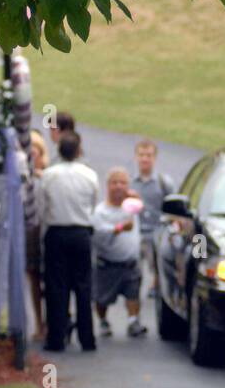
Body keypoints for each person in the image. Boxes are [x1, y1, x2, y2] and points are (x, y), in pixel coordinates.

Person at [37, 131, 100, 353]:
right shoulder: (89, 175)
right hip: (81, 232)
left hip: (57, 232)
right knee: (83, 287)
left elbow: (42, 207)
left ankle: (57, 337)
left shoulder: (49, 175)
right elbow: (93, 204)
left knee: (57, 287)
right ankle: (87, 338)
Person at [91, 168, 148, 338]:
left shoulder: (131, 207)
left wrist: (139, 202)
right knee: (102, 298)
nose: (118, 187)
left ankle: (133, 321)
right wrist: (119, 228)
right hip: (108, 263)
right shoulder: (100, 211)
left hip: (130, 262)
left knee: (133, 292)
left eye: (122, 183)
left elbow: (146, 215)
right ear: (107, 186)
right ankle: (103, 320)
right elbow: (98, 235)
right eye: (114, 183)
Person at [130, 139, 175, 296]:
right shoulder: (130, 183)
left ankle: (156, 285)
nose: (145, 159)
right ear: (136, 157)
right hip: (136, 232)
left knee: (155, 265)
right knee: (134, 266)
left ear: (154, 158)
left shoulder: (164, 183)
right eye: (141, 155)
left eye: (148, 155)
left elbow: (173, 209)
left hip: (156, 232)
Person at [25, 130, 50, 340]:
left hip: (49, 231)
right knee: (33, 276)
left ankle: (53, 321)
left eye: (36, 151)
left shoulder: (51, 175)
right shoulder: (23, 178)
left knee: (51, 278)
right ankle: (39, 323)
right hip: (31, 233)